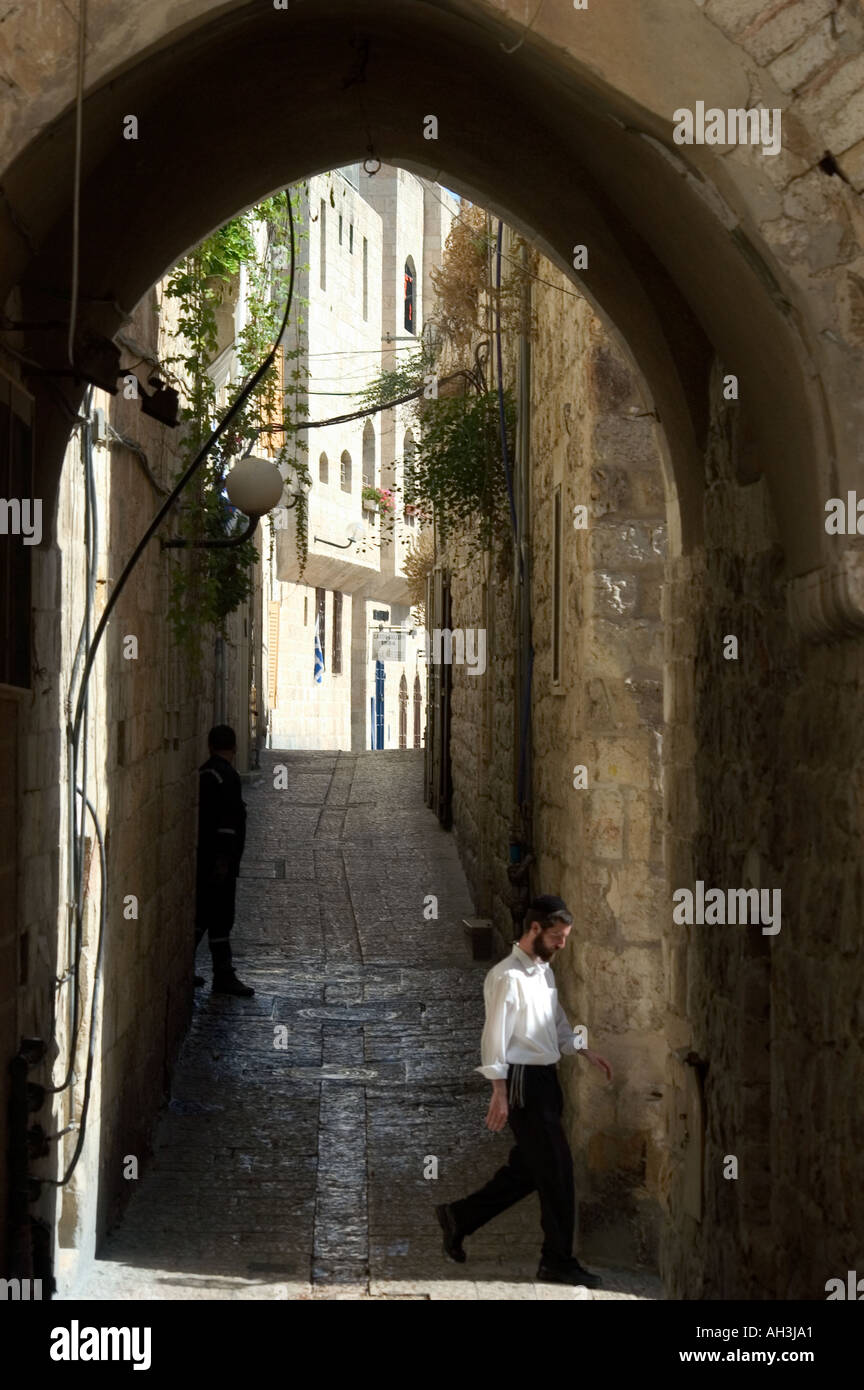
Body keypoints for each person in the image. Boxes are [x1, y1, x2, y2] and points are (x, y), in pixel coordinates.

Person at [436, 894, 613, 1286]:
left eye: (565, 937)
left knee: (530, 1170)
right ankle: (557, 1260)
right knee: (559, 1172)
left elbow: (556, 1020)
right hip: (520, 1082)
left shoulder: (543, 970)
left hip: (547, 1080)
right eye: (556, 936)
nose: (562, 944)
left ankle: (459, 1216)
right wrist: (498, 1090)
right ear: (534, 929)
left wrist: (583, 1050)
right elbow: (494, 1036)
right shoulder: (506, 976)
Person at [194, 725, 254, 998]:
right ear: (235, 748)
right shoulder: (227, 777)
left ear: (209, 746)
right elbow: (228, 823)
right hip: (220, 861)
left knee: (203, 914)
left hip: (202, 856)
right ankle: (224, 975)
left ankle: (189, 967)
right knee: (220, 917)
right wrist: (223, 861)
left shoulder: (205, 772)